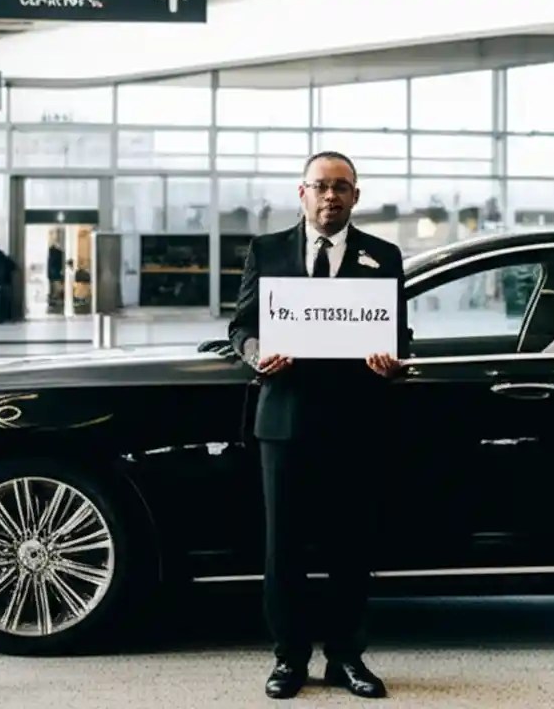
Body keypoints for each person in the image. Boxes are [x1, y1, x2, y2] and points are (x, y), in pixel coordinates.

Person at [227, 150, 408, 701]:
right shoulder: (267, 250)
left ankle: (346, 658)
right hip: (284, 422)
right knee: (284, 551)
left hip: (357, 422)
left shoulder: (384, 255)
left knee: (351, 548)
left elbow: (400, 333)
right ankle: (289, 659)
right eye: (321, 186)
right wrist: (257, 353)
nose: (331, 196)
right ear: (301, 192)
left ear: (357, 195)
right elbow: (242, 326)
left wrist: (395, 359)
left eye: (342, 187)